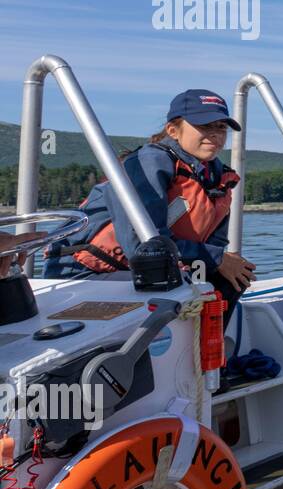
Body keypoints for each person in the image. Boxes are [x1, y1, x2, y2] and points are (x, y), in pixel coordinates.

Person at [45, 89, 255, 326]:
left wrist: (220, 262)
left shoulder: (216, 177)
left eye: (221, 127)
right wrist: (217, 259)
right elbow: (141, 244)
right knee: (195, 278)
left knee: (235, 276)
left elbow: (214, 246)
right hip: (85, 274)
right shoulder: (149, 163)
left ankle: (211, 357)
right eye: (205, 126)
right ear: (173, 131)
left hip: (149, 267)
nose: (215, 135)